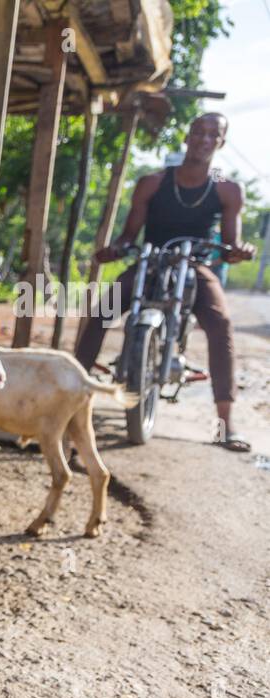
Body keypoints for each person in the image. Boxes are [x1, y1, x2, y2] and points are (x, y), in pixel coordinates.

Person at [76, 112, 255, 452]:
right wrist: (117, 249)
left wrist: (239, 252)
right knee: (102, 312)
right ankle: (68, 399)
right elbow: (130, 235)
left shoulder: (228, 189)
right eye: (198, 132)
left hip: (195, 265)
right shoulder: (153, 183)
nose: (204, 139)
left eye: (212, 135)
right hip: (149, 262)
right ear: (186, 136)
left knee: (221, 325)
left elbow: (230, 246)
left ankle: (225, 423)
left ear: (221, 143)